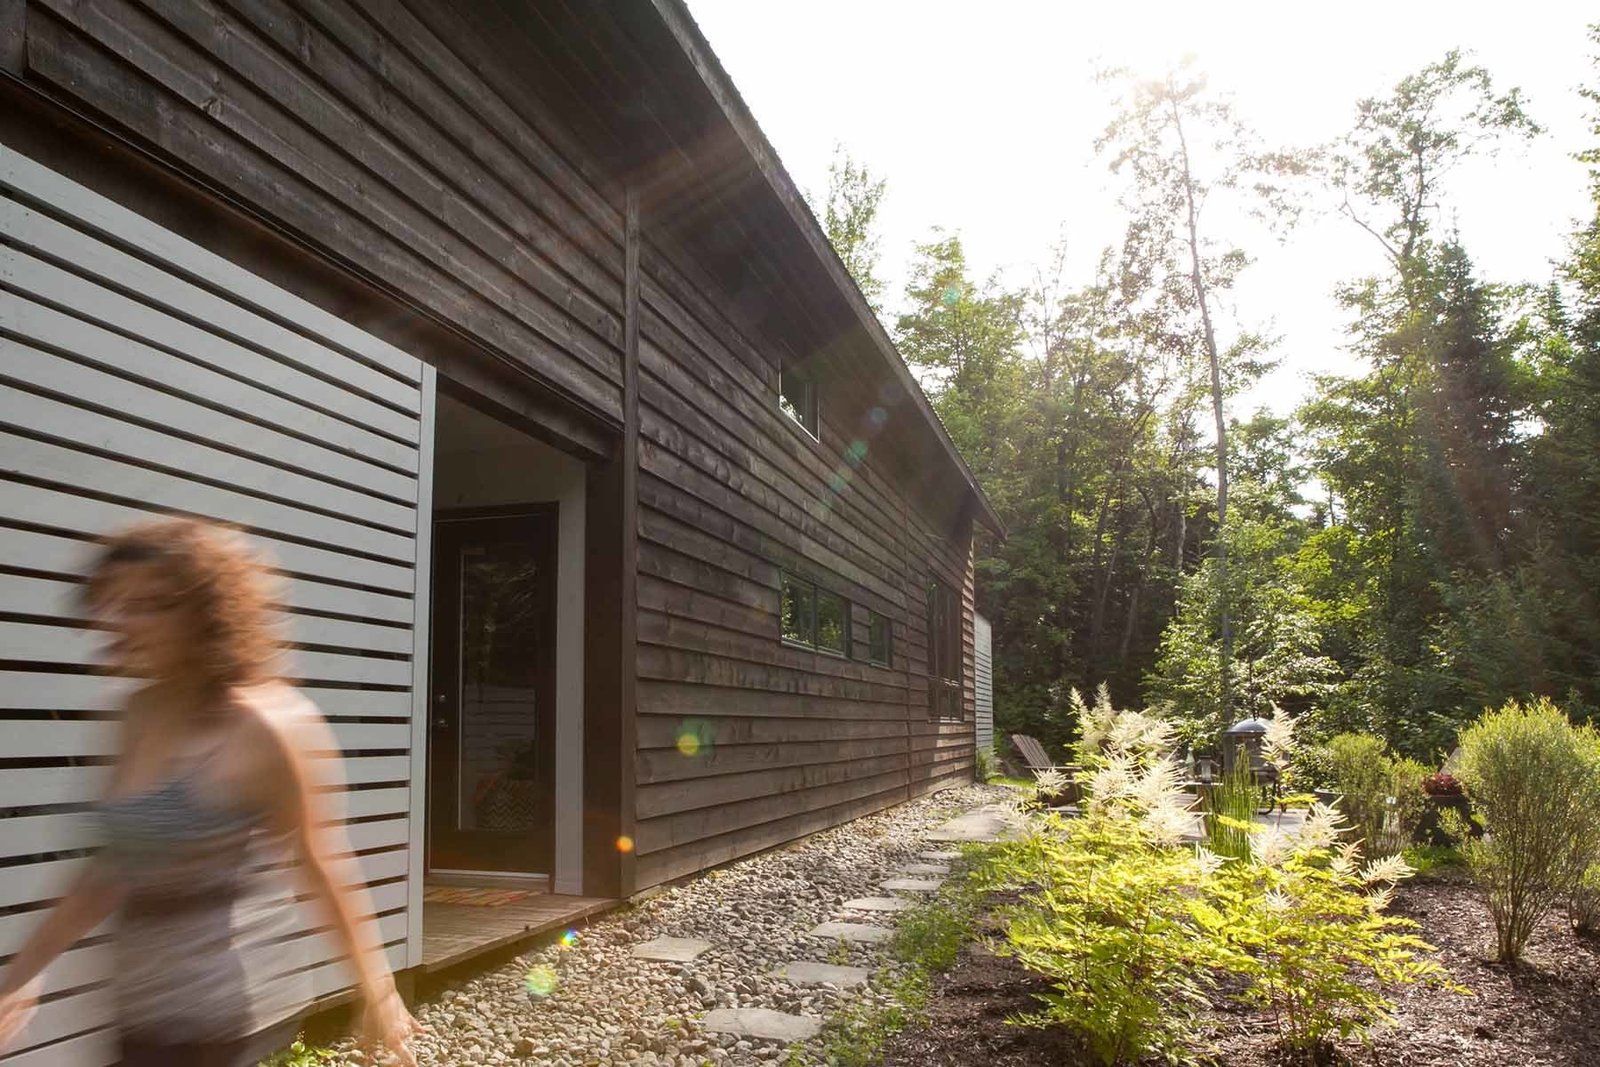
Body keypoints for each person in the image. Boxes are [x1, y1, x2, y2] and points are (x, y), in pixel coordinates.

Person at [0, 518, 421, 1066]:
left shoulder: (268, 727)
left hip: (225, 1020)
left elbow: (322, 865)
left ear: (208, 613)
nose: (124, 621)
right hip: (141, 1010)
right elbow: (108, 871)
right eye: (116, 603)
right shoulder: (136, 713)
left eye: (154, 604)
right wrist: (21, 976)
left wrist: (379, 993)